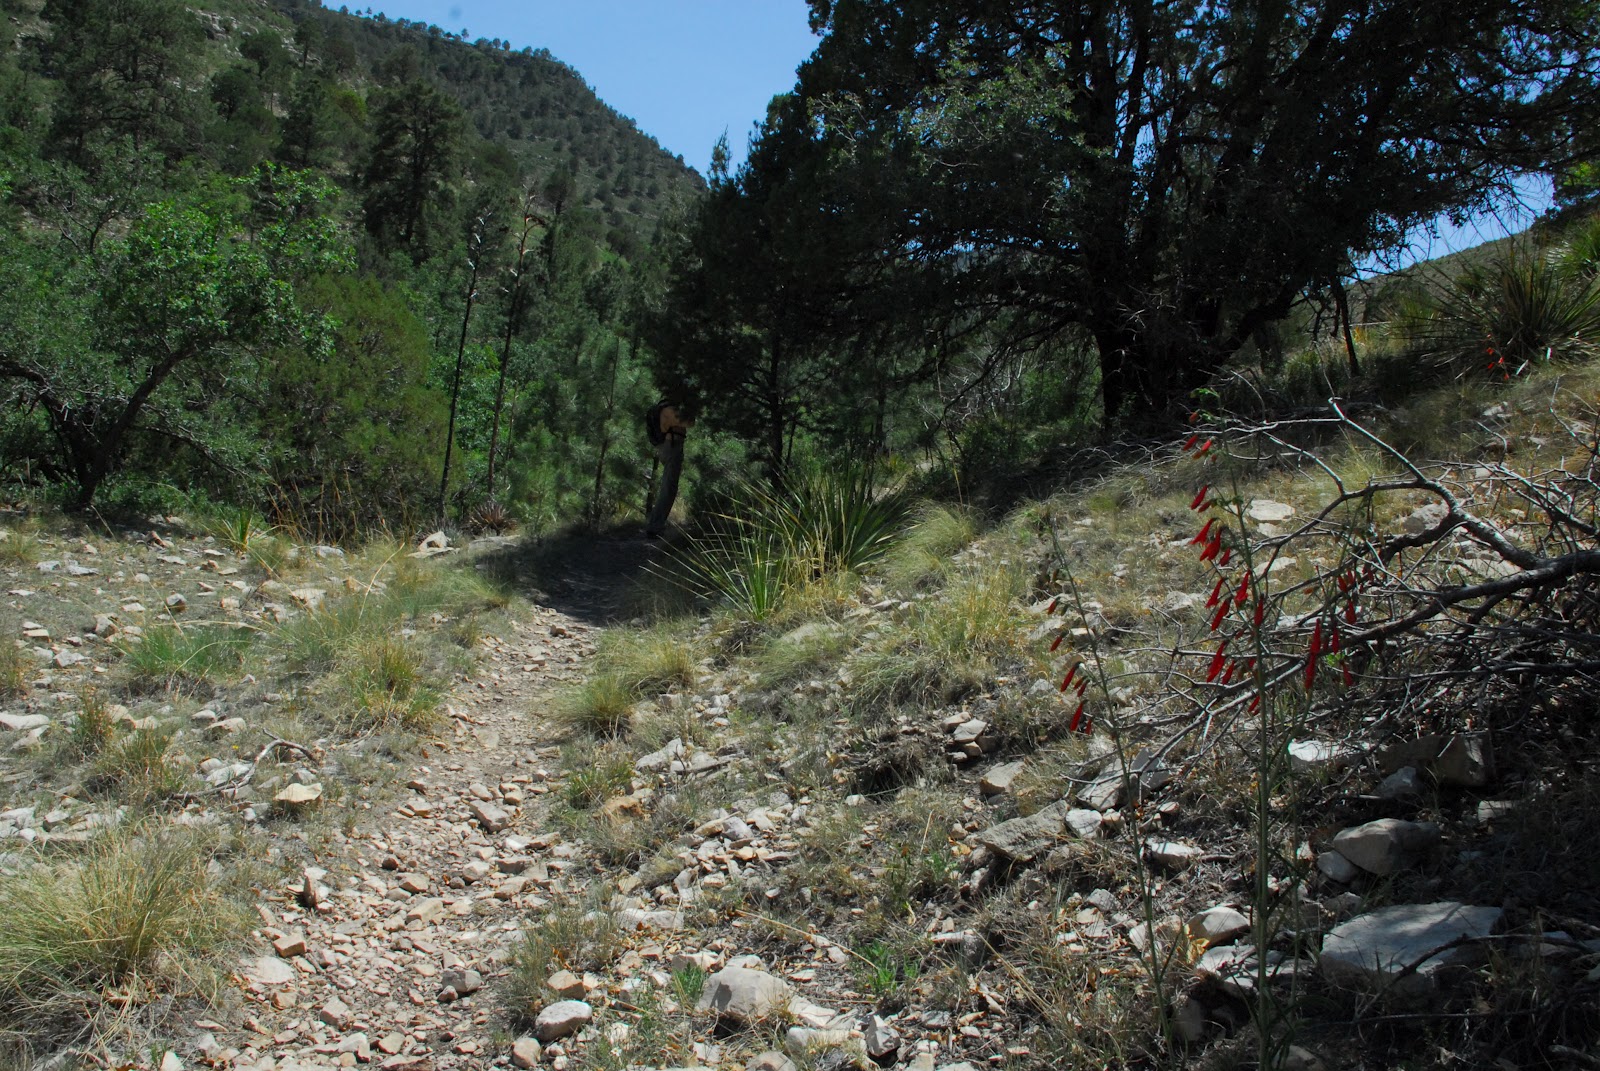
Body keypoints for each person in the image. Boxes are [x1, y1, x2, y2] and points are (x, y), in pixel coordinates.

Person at [645, 400, 691, 538]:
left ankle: (656, 525)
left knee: (669, 487)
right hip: (672, 447)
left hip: (670, 447)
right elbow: (689, 422)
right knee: (668, 488)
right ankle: (655, 527)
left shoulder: (665, 407)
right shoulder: (669, 410)